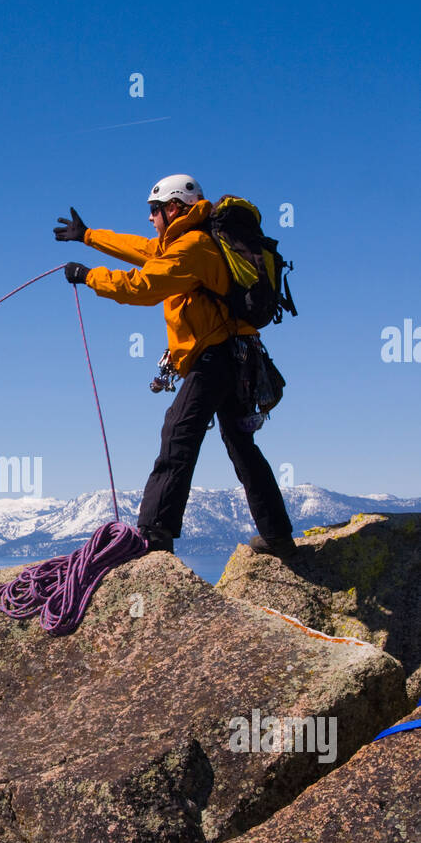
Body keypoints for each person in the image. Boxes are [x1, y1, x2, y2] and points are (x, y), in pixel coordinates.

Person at [54, 174, 296, 558]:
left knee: (178, 434)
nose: (150, 218)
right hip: (238, 355)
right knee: (240, 445)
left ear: (173, 208)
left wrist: (88, 276)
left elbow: (143, 287)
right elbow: (145, 250)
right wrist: (88, 236)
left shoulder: (193, 248)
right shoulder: (190, 243)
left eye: (154, 210)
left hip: (215, 357)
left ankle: (155, 532)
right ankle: (278, 535)